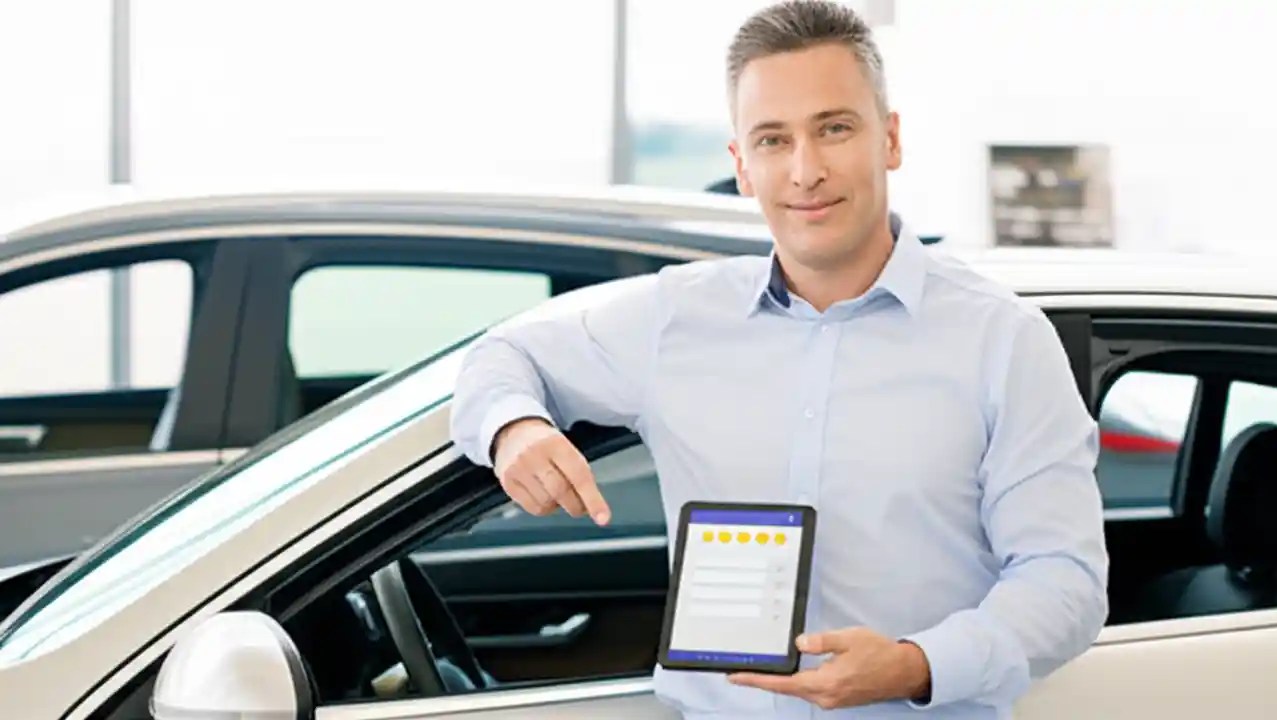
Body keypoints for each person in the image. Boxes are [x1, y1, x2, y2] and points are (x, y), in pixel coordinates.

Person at [450, 1, 1108, 717]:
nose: (805, 170)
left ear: (889, 139)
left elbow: (1065, 582)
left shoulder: (1004, 341)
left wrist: (915, 665)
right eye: (772, 139)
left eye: (834, 128)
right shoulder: (674, 320)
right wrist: (515, 428)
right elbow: (500, 354)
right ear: (741, 165)